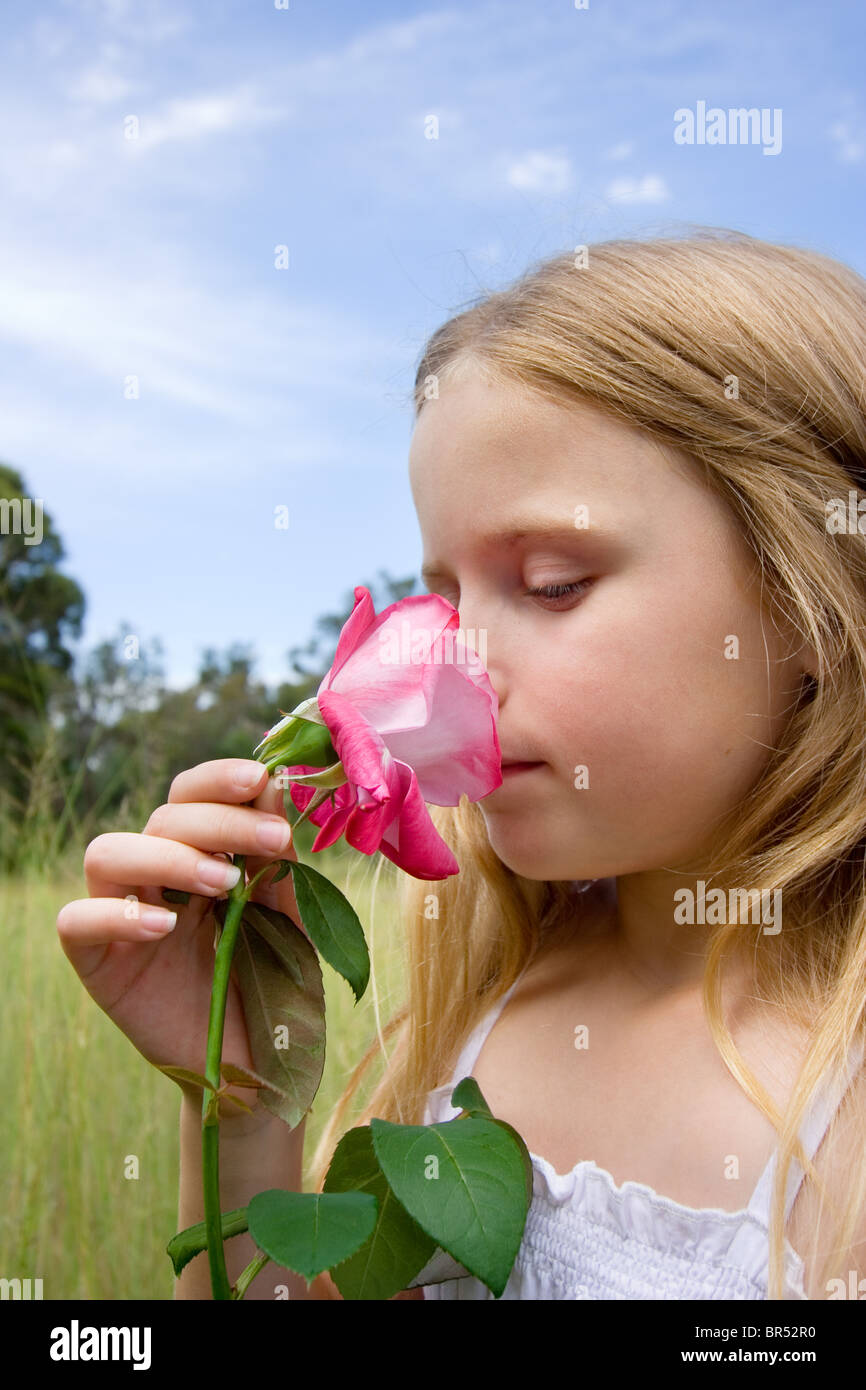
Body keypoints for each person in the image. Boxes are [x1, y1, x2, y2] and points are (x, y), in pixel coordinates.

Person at [58, 229, 866, 1301]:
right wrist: (246, 1102)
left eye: (551, 583)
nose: (462, 669)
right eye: (441, 595)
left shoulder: (834, 1103)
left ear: (811, 602)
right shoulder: (479, 1011)